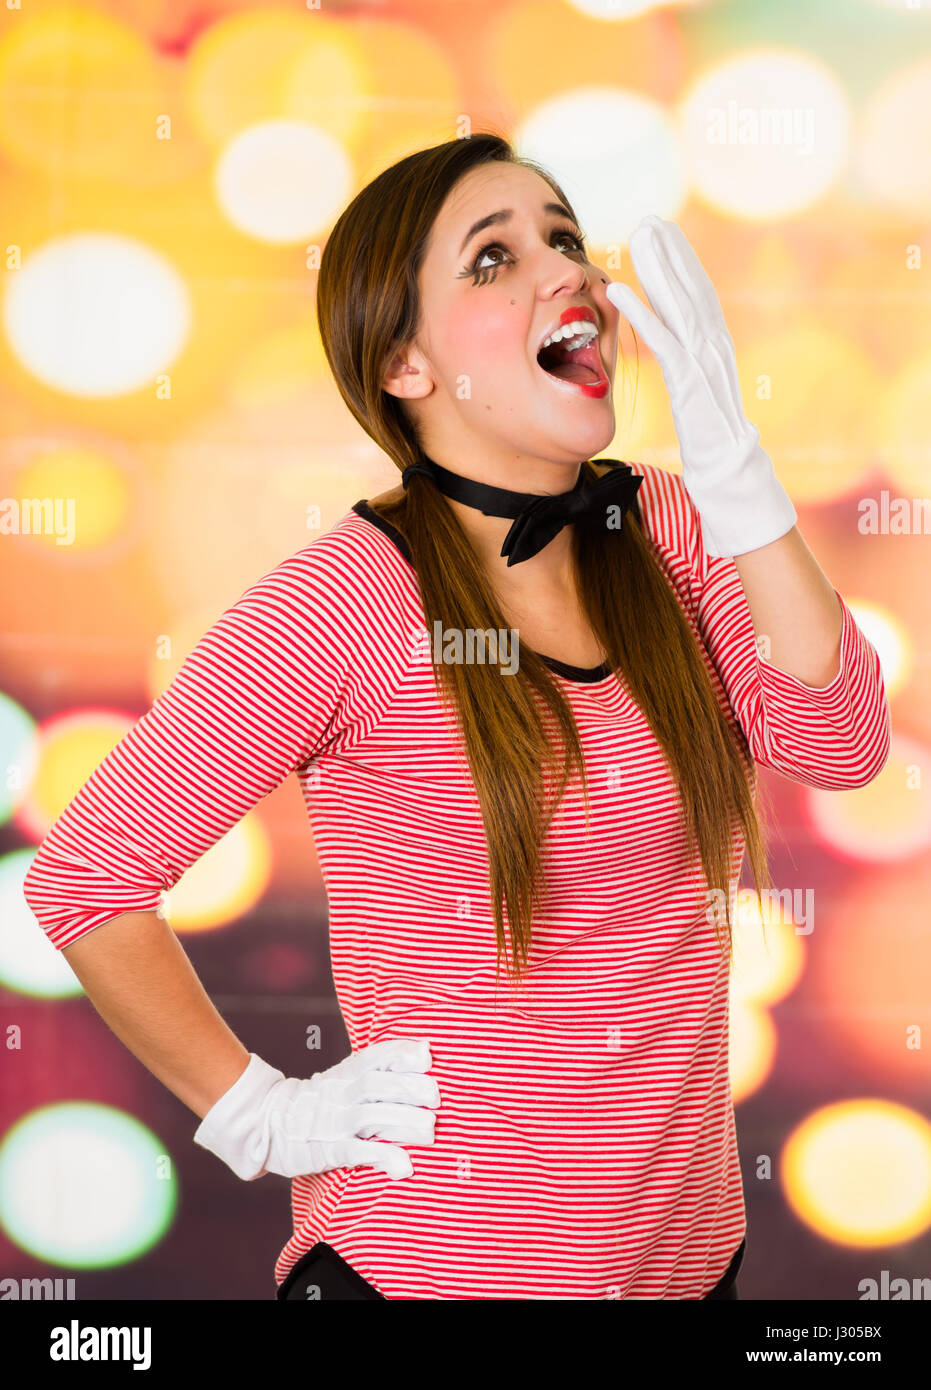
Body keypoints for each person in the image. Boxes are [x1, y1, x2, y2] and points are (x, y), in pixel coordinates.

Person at [22, 133, 891, 1301]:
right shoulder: (343, 600)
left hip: (683, 1268)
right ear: (405, 367)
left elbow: (840, 743)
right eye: (493, 258)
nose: (563, 271)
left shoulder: (675, 529)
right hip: (433, 1273)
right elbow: (85, 878)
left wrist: (739, 471)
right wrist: (257, 1113)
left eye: (564, 238)